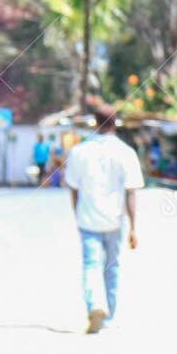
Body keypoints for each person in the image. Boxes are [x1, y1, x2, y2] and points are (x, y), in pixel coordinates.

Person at [64, 100, 144, 334]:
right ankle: (109, 315)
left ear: (95, 124)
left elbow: (73, 188)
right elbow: (131, 192)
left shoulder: (79, 152)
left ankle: (94, 305)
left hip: (87, 220)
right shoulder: (126, 153)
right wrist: (133, 228)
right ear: (115, 124)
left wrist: (77, 213)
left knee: (90, 264)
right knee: (112, 267)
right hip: (114, 221)